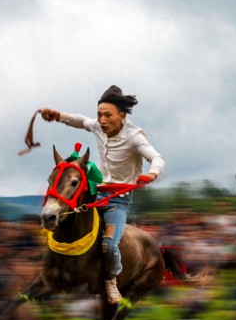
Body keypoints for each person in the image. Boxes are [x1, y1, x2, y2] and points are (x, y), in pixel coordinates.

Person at [40, 85, 165, 304]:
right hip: (97, 195)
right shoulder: (98, 127)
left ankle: (110, 280)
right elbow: (81, 121)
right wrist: (58, 116)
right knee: (66, 221)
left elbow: (157, 158)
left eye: (107, 115)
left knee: (109, 244)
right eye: (99, 114)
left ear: (122, 115)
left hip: (119, 201)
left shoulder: (135, 137)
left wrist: (152, 174)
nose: (102, 120)